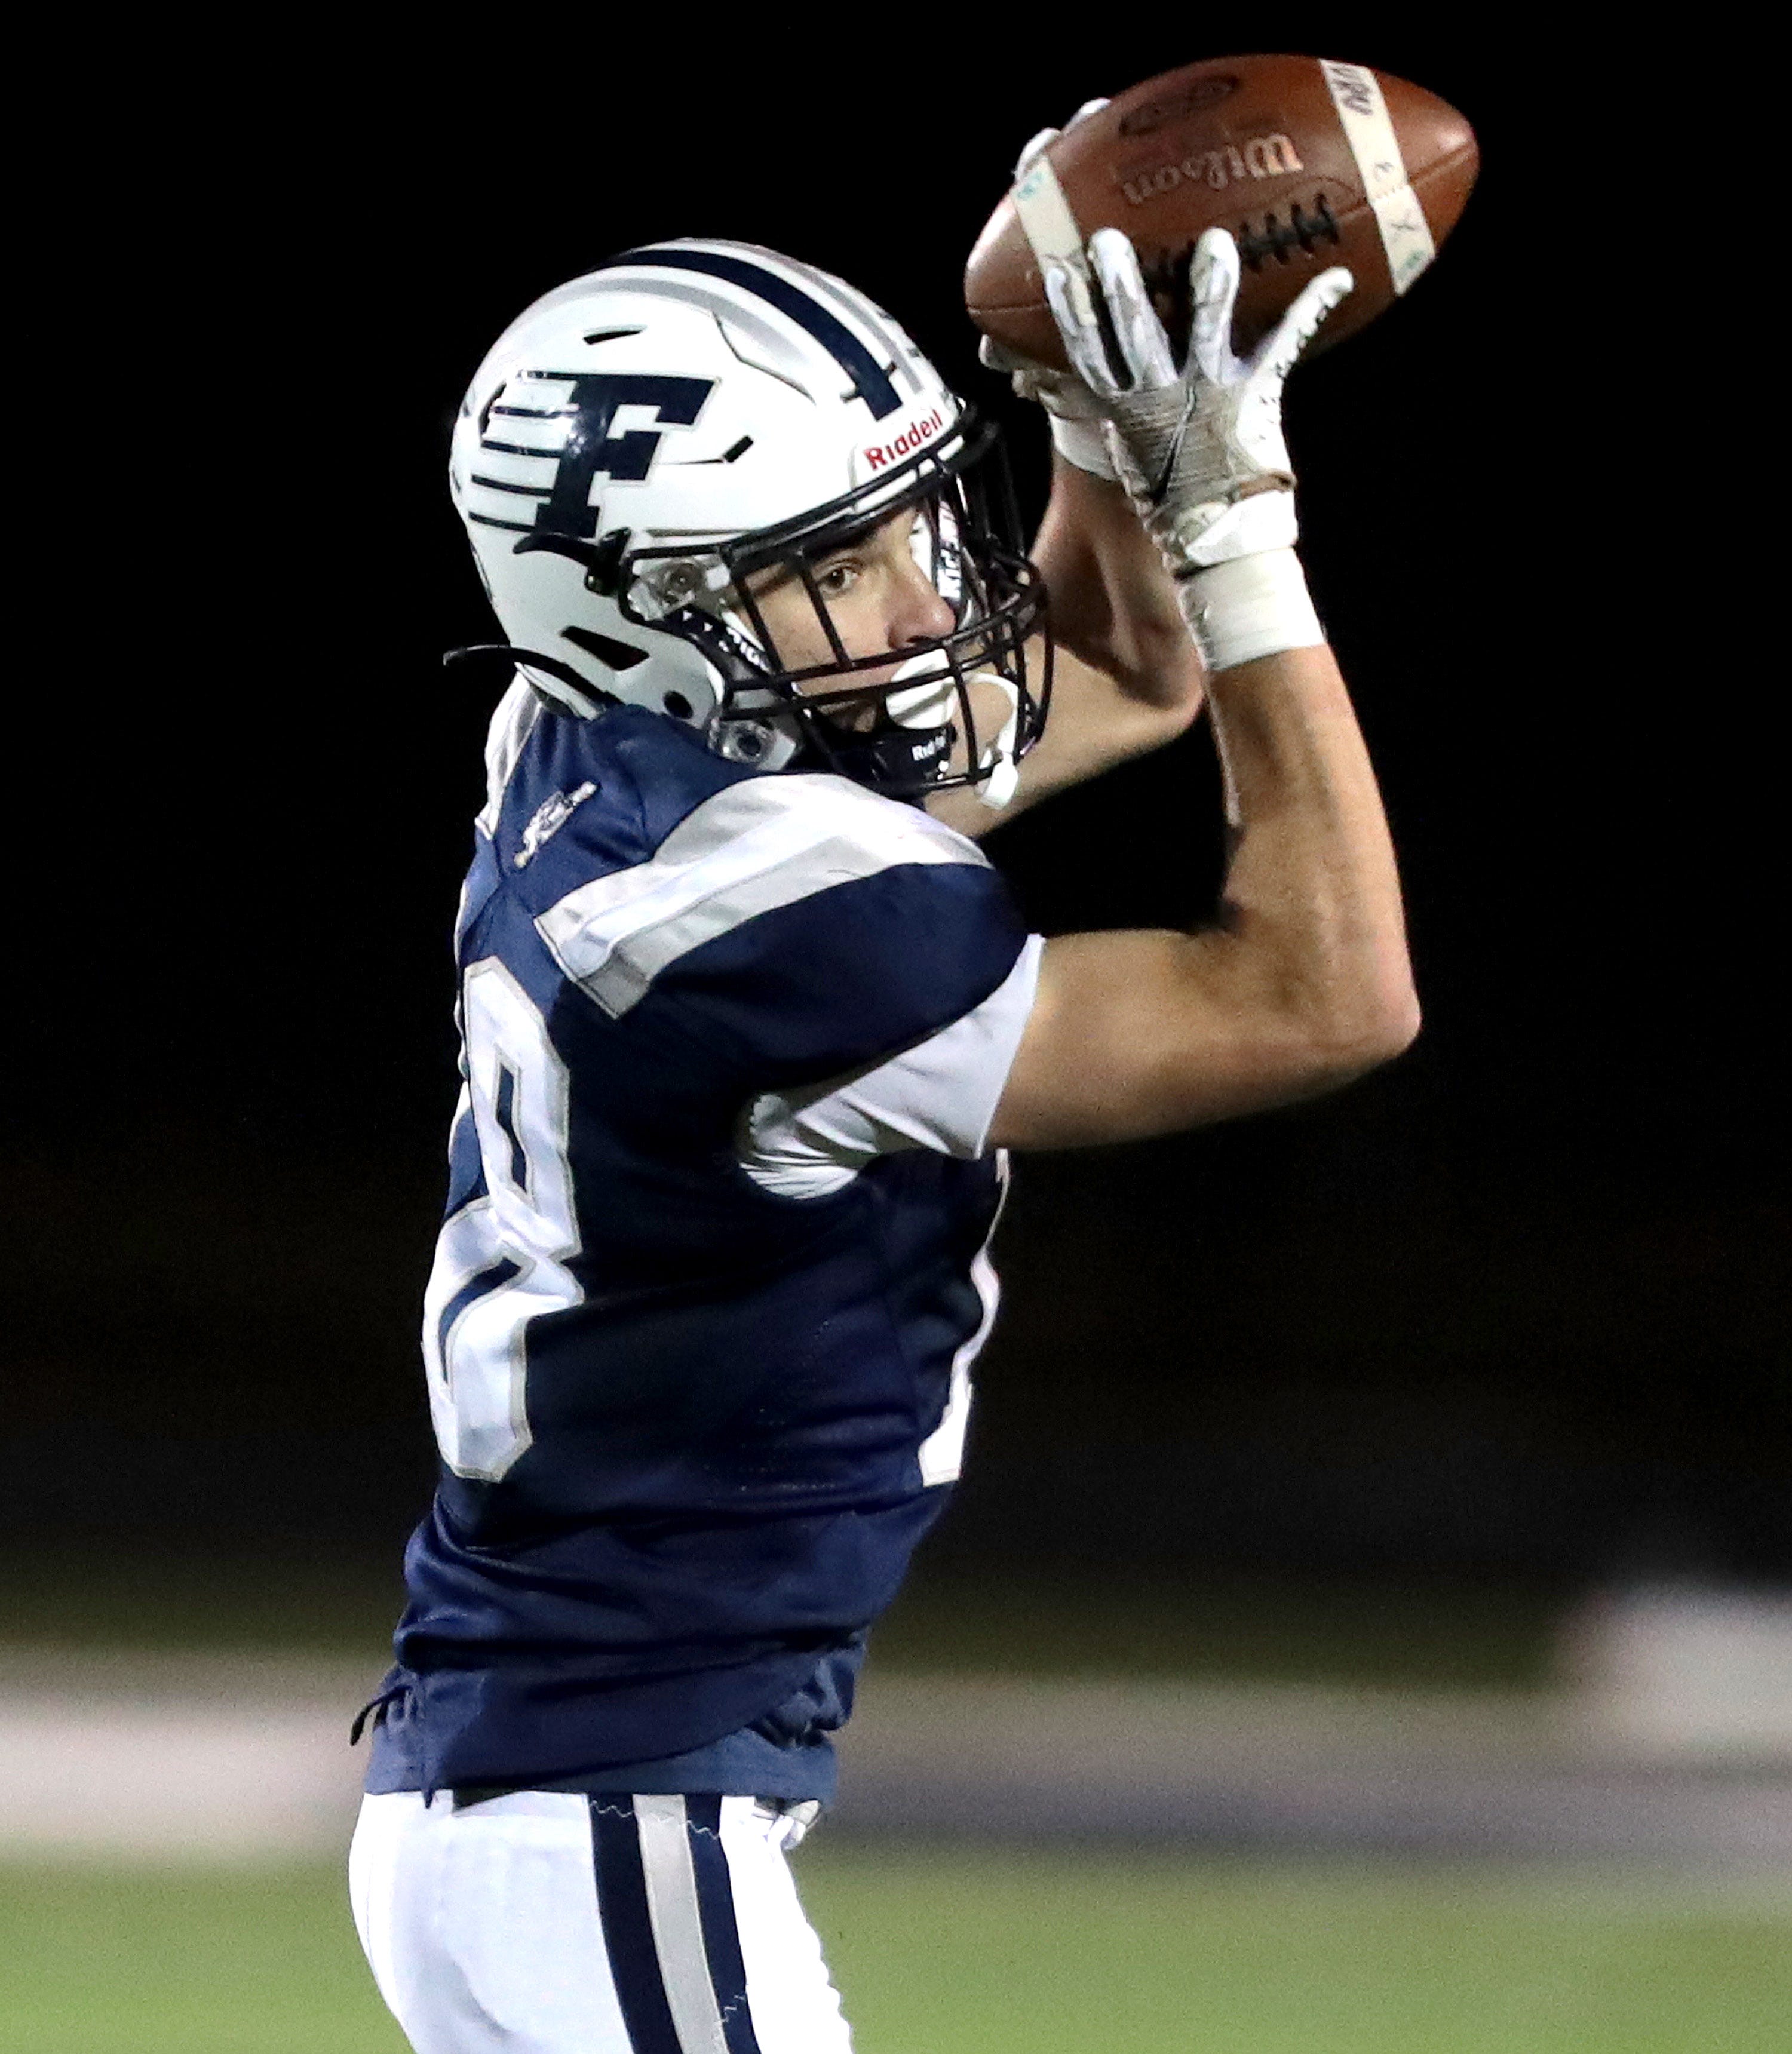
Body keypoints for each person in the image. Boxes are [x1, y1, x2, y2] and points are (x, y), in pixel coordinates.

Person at [346, 152, 1419, 2052]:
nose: (926, 595)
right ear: (648, 609)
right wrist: (1240, 533)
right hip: (604, 1813)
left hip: (559, 1796)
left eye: (909, 524)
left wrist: (1091, 398)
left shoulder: (599, 751)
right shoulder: (780, 923)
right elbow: (1323, 997)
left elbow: (1105, 672)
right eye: (833, 568)